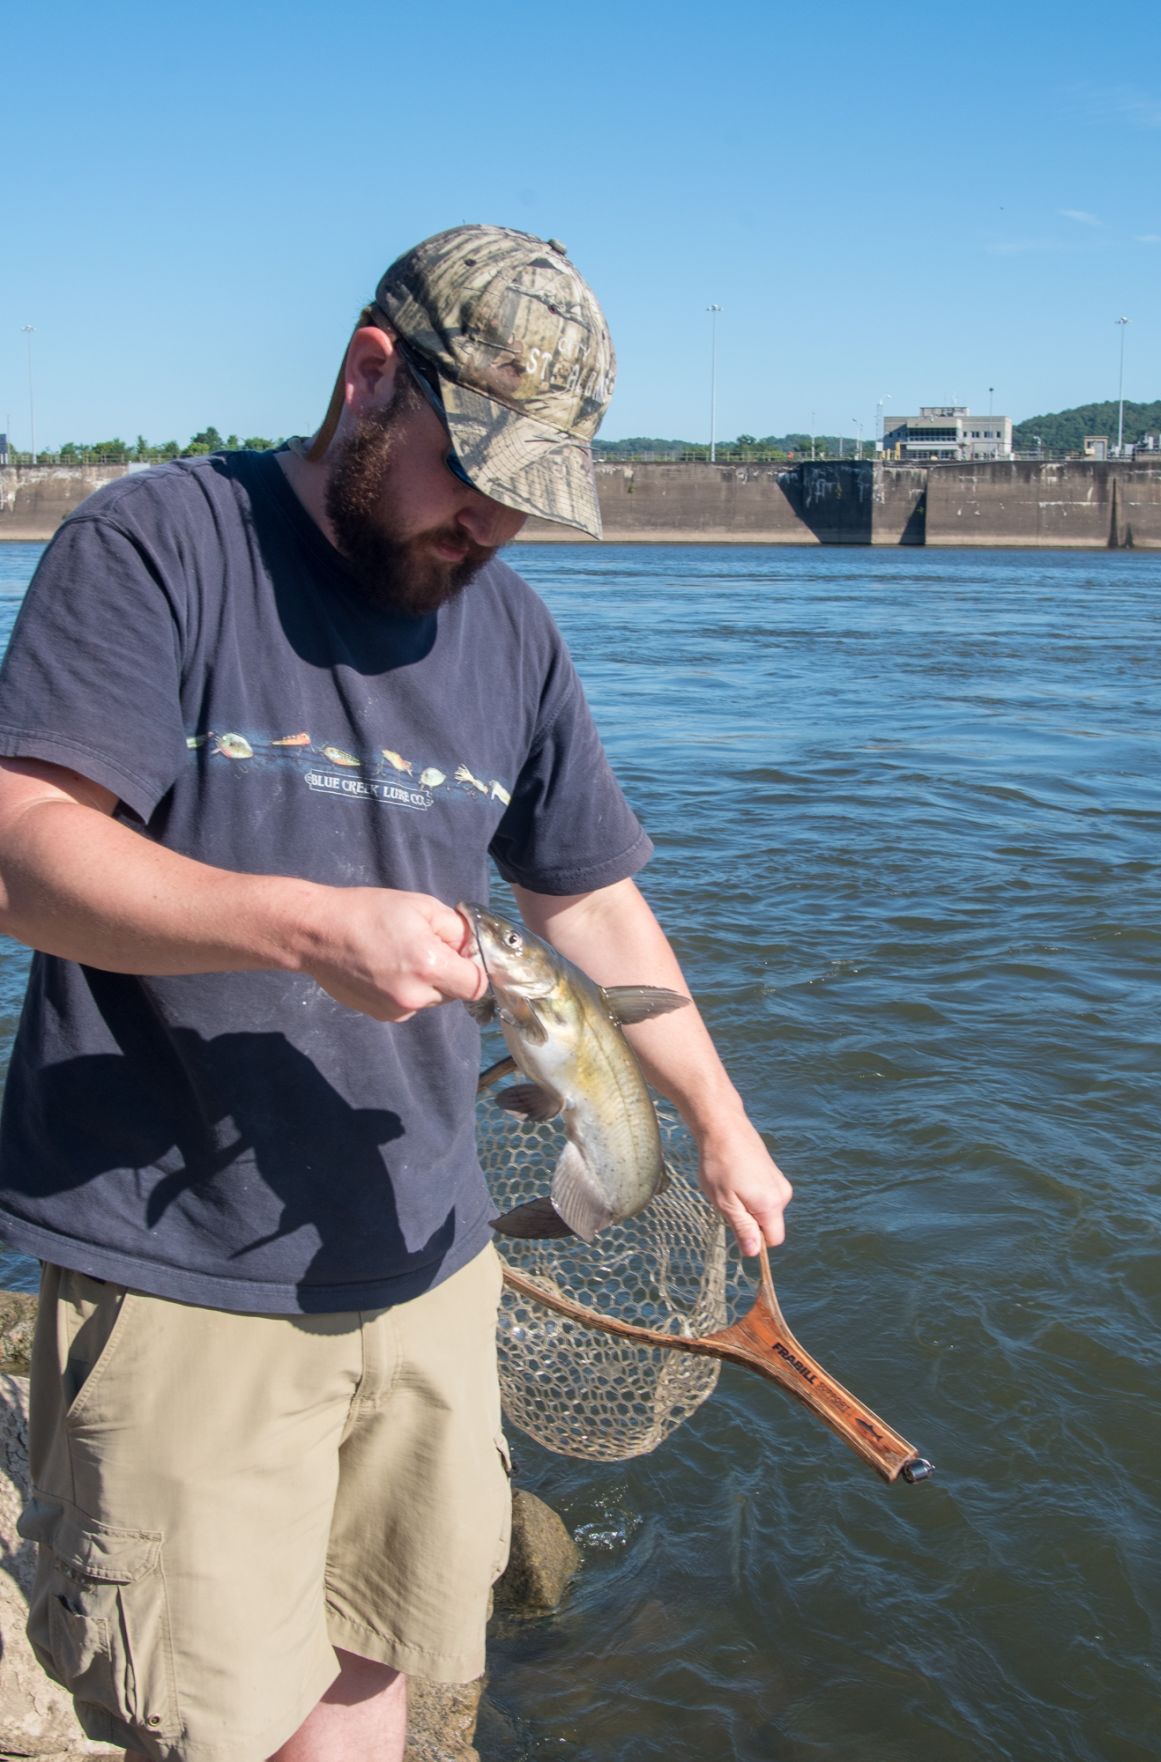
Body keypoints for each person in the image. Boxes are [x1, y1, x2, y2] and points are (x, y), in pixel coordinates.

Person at [0, 224, 792, 1762]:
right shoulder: (157, 545)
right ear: (371, 377)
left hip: (431, 1268)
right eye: (472, 476)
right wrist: (301, 929)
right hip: (186, 1274)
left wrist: (722, 1119)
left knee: (380, 1680)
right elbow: (25, 851)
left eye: (525, 500)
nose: (491, 526)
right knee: (205, 1722)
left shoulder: (509, 627)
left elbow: (592, 896)